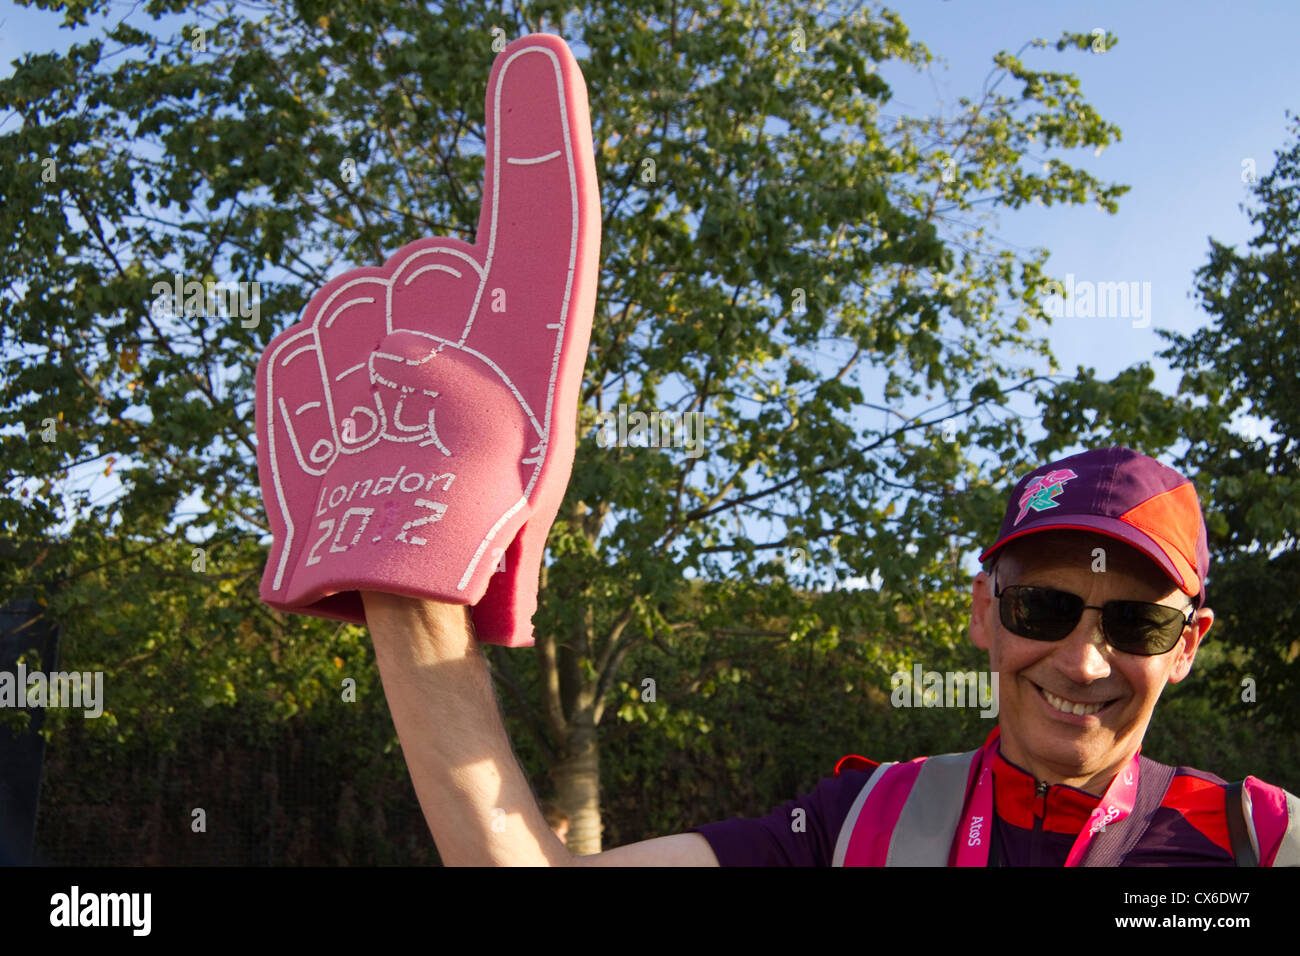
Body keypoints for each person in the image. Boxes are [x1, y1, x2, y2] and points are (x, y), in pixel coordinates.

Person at [361, 446, 1299, 865]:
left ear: (1188, 646)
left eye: (1135, 624)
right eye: (1045, 607)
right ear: (985, 612)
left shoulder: (1257, 843)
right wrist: (408, 578)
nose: (1084, 662)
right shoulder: (859, 827)